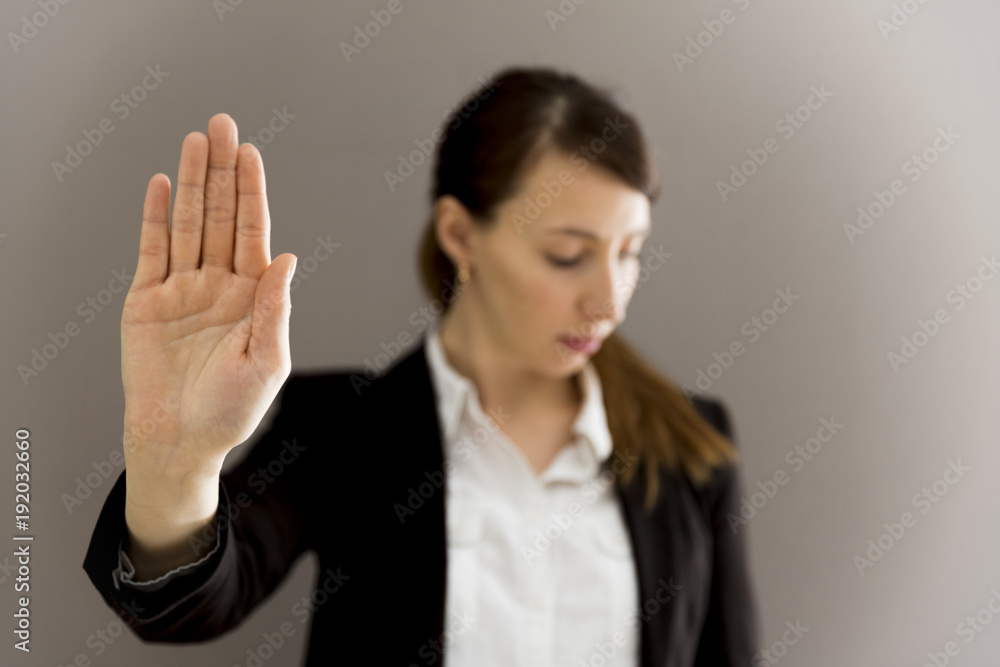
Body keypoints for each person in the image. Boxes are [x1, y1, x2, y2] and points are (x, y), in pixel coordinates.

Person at [83, 66, 762, 666]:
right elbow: (190, 605)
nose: (609, 300)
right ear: (461, 234)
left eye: (630, 251)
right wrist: (177, 461)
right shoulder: (346, 429)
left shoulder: (693, 445)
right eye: (567, 254)